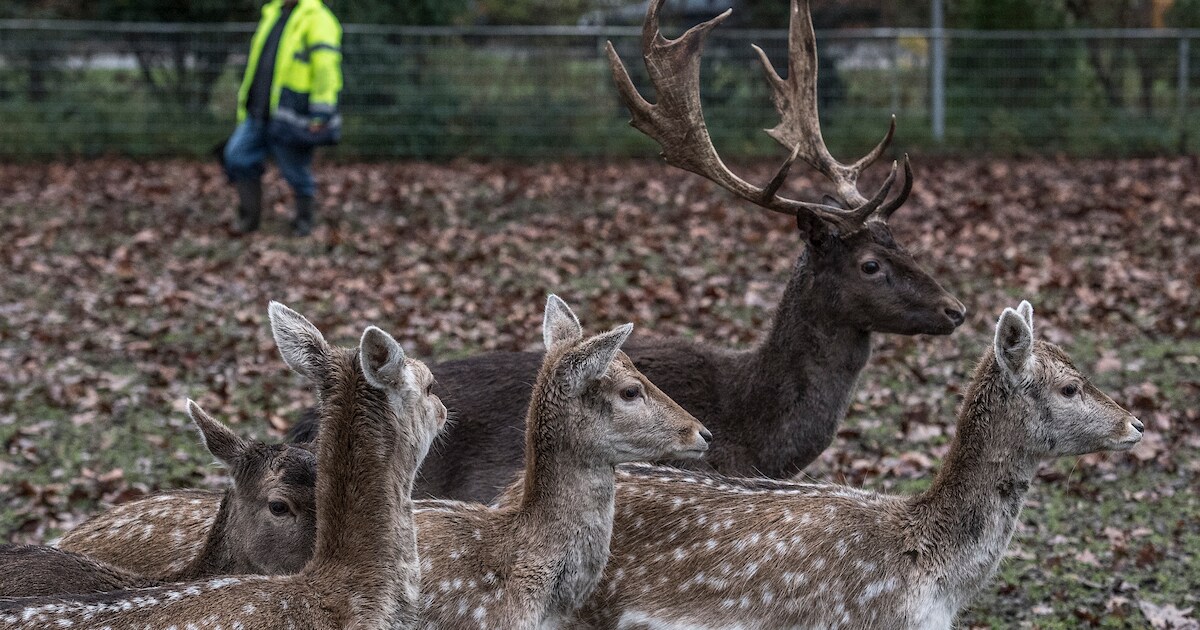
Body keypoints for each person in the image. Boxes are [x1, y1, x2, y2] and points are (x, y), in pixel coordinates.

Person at [224, 0, 342, 236]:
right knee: (237, 156)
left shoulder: (318, 18)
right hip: (258, 109)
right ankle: (249, 219)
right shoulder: (272, 13)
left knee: (295, 171)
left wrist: (321, 112)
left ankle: (304, 221)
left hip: (291, 112)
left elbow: (326, 69)